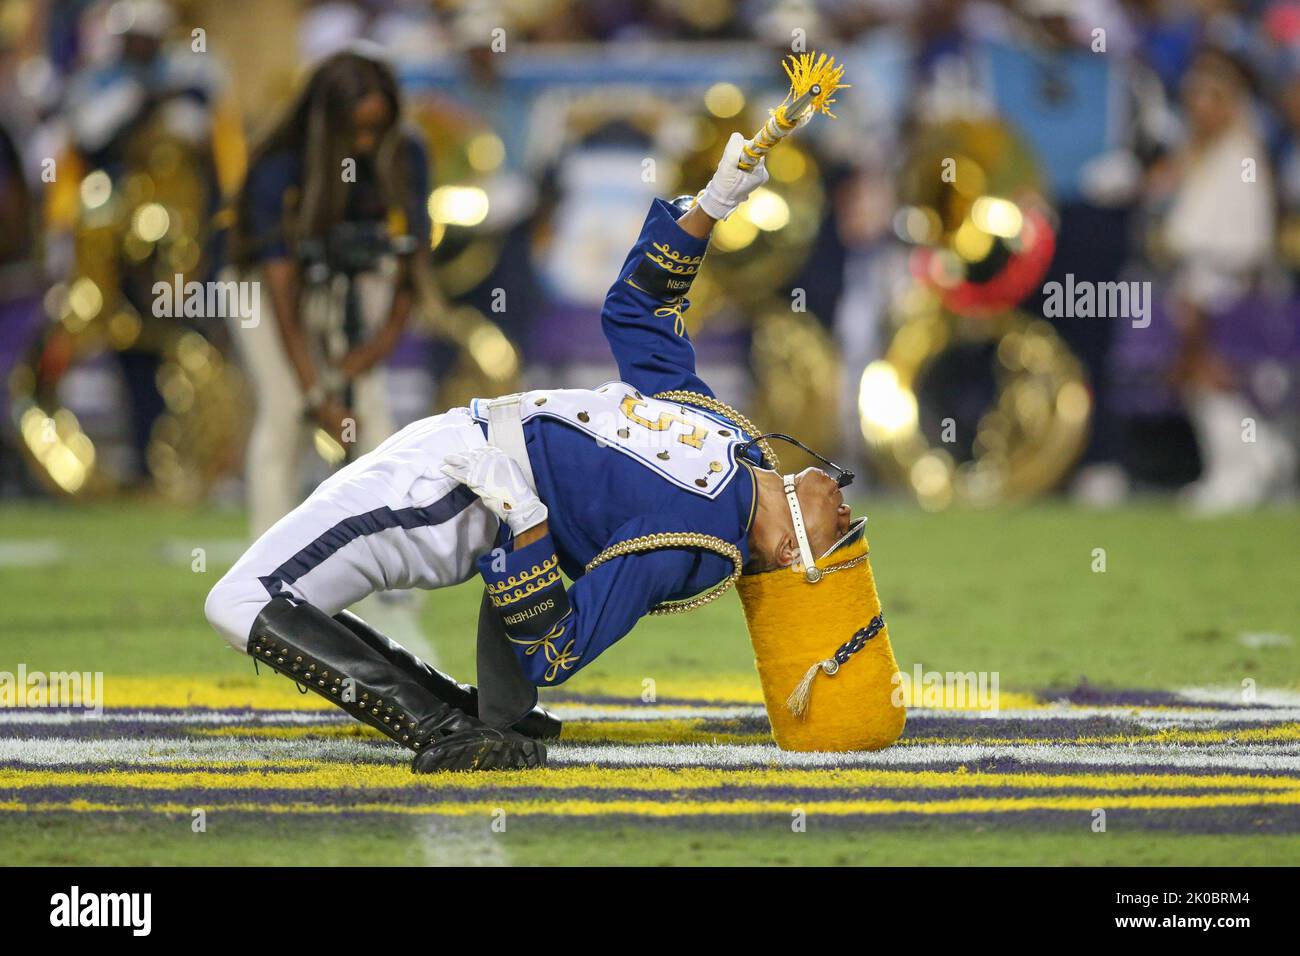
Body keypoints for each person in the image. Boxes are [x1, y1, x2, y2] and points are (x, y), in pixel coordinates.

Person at [205, 132, 858, 772]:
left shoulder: (701, 544)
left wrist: (527, 523)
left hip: (461, 492)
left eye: (843, 535)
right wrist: (709, 207)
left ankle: (437, 728)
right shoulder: (734, 440)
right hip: (465, 451)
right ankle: (475, 712)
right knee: (280, 591)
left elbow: (557, 648)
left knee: (239, 601)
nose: (850, 515)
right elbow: (637, 312)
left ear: (792, 554)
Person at [226, 47, 431, 536]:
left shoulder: (406, 152)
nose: (365, 142)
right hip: (265, 285)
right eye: (355, 130)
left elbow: (410, 271)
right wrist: (318, 395)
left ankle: (390, 560)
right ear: (326, 123)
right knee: (284, 407)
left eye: (376, 129)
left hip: (356, 275)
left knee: (369, 407)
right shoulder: (278, 164)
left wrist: (367, 356)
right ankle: (266, 565)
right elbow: (282, 293)